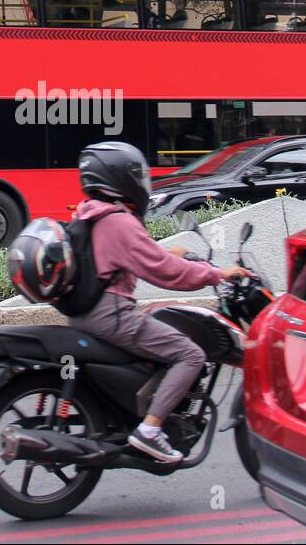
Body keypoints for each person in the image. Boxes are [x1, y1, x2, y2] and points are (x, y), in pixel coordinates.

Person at [72, 141, 250, 463]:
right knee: (190, 355)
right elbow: (166, 274)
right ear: (121, 179)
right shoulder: (120, 221)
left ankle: (138, 413)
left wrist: (170, 251)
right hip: (111, 315)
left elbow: (131, 254)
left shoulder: (92, 214)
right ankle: (150, 432)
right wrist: (217, 274)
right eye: (137, 176)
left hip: (86, 314)